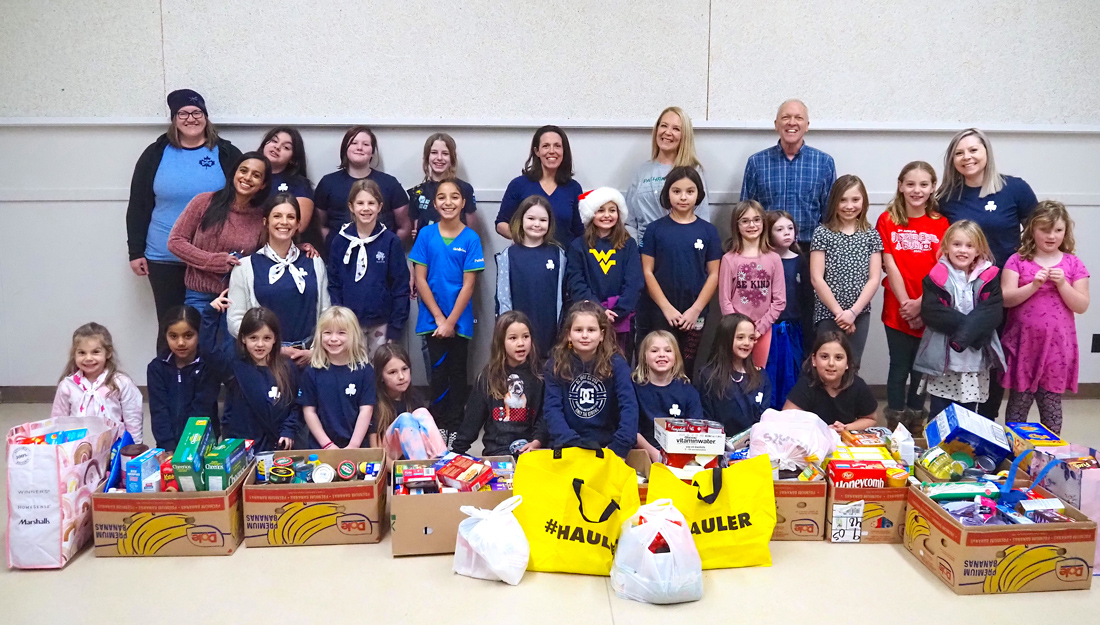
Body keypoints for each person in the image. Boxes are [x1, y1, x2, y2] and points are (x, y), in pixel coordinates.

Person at [126, 88, 241, 348]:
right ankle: (170, 385)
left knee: (209, 326)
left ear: (206, 116)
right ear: (174, 119)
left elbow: (245, 199)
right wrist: (136, 251)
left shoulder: (225, 153)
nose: (191, 118)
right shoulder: (155, 153)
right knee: (171, 325)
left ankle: (205, 386)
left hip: (211, 260)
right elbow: (138, 205)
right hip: (163, 257)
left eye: (197, 112)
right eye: (183, 113)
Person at [936, 128, 1038, 420]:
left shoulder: (1015, 189)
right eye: (959, 152)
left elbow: (1040, 233)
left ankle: (988, 420)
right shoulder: (946, 197)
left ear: (986, 152)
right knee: (966, 350)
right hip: (962, 291)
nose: (967, 157)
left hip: (1005, 290)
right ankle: (958, 420)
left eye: (973, 150)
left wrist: (1031, 273)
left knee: (996, 355)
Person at [1001, 202, 1090, 435]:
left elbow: (1081, 305)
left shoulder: (1073, 264)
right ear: (1032, 229)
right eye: (1045, 229)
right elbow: (1006, 298)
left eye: (1057, 230)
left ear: (1065, 232)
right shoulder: (1017, 260)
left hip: (1056, 348)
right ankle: (1013, 455)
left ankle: (1048, 455)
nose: (1051, 236)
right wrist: (1034, 285)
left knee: (1051, 406)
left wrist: (1062, 284)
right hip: (1023, 345)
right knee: (1018, 405)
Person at [410, 179, 486, 446]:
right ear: (434, 203)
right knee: (437, 374)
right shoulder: (426, 235)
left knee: (457, 372)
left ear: (463, 202)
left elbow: (469, 284)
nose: (448, 202)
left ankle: (455, 425)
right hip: (432, 320)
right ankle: (438, 425)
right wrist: (440, 320)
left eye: (454, 197)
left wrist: (451, 321)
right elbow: (420, 279)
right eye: (442, 197)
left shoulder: (471, 238)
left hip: (460, 322)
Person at [875, 161, 949, 431]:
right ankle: (895, 419)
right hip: (897, 307)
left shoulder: (941, 223)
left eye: (923, 184)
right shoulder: (887, 220)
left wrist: (920, 304)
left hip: (929, 306)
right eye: (910, 184)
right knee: (899, 366)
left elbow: (943, 268)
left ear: (932, 188)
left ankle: (916, 416)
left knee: (921, 369)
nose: (916, 190)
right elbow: (889, 263)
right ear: (900, 186)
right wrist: (906, 303)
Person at [913, 221, 1006, 418]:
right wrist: (973, 332)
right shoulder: (935, 277)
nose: (962, 250)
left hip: (975, 361)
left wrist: (969, 335)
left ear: (979, 249)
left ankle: (962, 449)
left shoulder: (989, 277)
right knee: (939, 413)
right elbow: (932, 312)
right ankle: (937, 448)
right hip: (944, 361)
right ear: (946, 246)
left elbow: (991, 312)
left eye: (969, 245)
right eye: (957, 244)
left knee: (967, 416)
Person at [226, 193, 330, 367]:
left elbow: (325, 313)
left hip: (309, 358)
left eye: (290, 217)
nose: (284, 222)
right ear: (266, 222)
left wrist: (314, 351)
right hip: (264, 359)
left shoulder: (314, 261)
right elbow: (235, 321)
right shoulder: (245, 267)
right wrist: (272, 348)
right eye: (277, 216)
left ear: (298, 224)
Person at [639, 167, 722, 379]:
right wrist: (666, 308)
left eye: (689, 191)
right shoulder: (655, 230)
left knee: (686, 366)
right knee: (658, 364)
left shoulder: (708, 231)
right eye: (676, 191)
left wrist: (695, 310)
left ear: (698, 194)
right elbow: (647, 271)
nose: (683, 197)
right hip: (661, 311)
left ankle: (684, 409)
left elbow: (714, 274)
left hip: (695, 313)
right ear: (667, 193)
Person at [167, 151, 271, 314]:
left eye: (256, 175)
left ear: (263, 184)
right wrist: (215, 261)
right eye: (243, 171)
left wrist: (300, 247)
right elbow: (175, 242)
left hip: (236, 298)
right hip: (199, 296)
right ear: (234, 172)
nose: (247, 177)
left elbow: (268, 253)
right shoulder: (203, 202)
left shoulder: (260, 217)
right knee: (197, 340)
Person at [542, 301, 638, 459]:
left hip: (606, 447)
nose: (585, 335)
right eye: (578, 330)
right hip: (567, 447)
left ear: (602, 334)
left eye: (591, 330)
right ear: (568, 335)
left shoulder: (617, 364)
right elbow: (552, 411)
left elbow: (629, 408)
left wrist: (618, 447)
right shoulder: (555, 365)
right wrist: (572, 445)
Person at [328, 179, 410, 359]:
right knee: (352, 374)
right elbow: (333, 284)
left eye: (371, 203)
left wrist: (395, 329)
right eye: (360, 203)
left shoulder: (390, 241)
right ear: (351, 206)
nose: (366, 208)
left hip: (381, 325)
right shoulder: (340, 241)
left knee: (378, 376)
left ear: (380, 206)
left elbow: (400, 287)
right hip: (348, 325)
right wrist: (339, 319)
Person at [203, 304, 300, 452]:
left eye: (267, 338)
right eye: (253, 338)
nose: (260, 344)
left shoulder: (288, 369)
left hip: (278, 450)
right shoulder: (234, 368)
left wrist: (289, 430)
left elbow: (296, 406)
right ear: (243, 338)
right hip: (242, 452)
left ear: (275, 339)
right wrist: (210, 313)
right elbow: (208, 350)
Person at [741, 99, 836, 248]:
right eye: (786, 117)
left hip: (810, 248)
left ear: (807, 126)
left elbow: (830, 214)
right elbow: (745, 211)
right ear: (776, 125)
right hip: (767, 247)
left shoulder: (824, 163)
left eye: (799, 118)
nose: (792, 123)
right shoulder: (756, 162)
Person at [809, 174, 883, 363]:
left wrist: (852, 313)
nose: (849, 206)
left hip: (859, 313)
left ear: (863, 201)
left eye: (855, 200)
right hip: (828, 312)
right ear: (834, 201)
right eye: (843, 200)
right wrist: (839, 313)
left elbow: (874, 279)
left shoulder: (871, 235)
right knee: (826, 365)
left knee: (851, 365)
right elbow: (817, 278)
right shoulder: (822, 233)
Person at [453, 311, 547, 456]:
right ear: (501, 341)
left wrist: (537, 441)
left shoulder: (540, 375)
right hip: (497, 451)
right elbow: (473, 418)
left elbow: (544, 416)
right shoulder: (488, 376)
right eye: (513, 338)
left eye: (525, 337)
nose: (521, 343)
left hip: (531, 450)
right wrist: (456, 451)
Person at [567, 187, 644, 361]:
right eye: (600, 210)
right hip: (589, 317)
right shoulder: (578, 246)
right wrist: (599, 310)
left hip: (621, 317)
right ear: (590, 214)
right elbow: (576, 283)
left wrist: (618, 311)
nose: (607, 215)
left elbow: (634, 282)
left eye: (612, 210)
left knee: (619, 363)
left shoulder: (628, 245)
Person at [625, 107, 712, 242]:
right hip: (644, 253)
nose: (668, 132)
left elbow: (702, 221)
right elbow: (629, 222)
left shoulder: (693, 170)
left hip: (679, 250)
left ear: (685, 135)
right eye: (664, 126)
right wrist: (635, 249)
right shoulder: (642, 171)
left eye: (676, 129)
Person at [314, 125, 411, 245]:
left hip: (380, 258)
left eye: (365, 144)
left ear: (372, 152)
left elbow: (405, 226)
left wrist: (388, 248)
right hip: (339, 258)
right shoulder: (327, 183)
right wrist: (334, 245)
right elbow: (319, 225)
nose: (359, 148)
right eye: (354, 143)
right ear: (345, 148)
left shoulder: (390, 183)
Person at [495, 196, 566, 356]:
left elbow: (563, 294)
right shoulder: (508, 255)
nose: (536, 224)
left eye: (543, 220)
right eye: (531, 218)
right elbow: (503, 297)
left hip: (550, 330)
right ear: (521, 220)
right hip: (520, 328)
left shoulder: (558, 254)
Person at [719, 200, 786, 369]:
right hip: (735, 333)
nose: (752, 225)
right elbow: (725, 300)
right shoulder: (729, 259)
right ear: (737, 225)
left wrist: (760, 329)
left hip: (762, 331)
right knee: (734, 373)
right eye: (745, 221)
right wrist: (738, 330)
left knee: (758, 374)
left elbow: (779, 301)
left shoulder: (774, 259)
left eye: (757, 219)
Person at [51, 322, 143, 443]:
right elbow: (58, 421)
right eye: (82, 353)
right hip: (77, 446)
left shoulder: (121, 383)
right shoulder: (68, 385)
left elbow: (133, 419)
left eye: (95, 352)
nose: (88, 358)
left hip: (114, 446)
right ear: (74, 354)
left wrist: (134, 447)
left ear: (108, 353)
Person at [300, 306, 377, 449]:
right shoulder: (312, 371)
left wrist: (353, 446)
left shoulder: (365, 371)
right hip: (322, 448)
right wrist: (327, 445)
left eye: (341, 333)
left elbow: (366, 409)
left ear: (353, 335)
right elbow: (309, 411)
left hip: (357, 448)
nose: (333, 339)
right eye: (327, 333)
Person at [147, 305, 221, 451]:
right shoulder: (156, 368)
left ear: (199, 334)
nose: (181, 342)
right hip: (167, 447)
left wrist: (187, 449)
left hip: (202, 444)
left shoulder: (208, 366)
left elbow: (202, 410)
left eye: (188, 335)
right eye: (173, 336)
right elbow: (159, 411)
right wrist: (168, 447)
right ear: (165, 336)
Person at [494, 125, 583, 245]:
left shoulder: (574, 188)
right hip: (528, 259)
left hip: (565, 260)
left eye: (557, 146)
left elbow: (580, 231)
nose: (552, 151)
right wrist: (523, 239)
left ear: (564, 151)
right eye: (546, 146)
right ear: (537, 151)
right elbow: (501, 224)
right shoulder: (519, 185)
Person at [784, 331, 877, 432]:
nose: (831, 363)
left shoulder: (858, 386)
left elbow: (870, 419)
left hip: (845, 441)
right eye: (824, 357)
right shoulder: (805, 385)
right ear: (814, 360)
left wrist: (845, 428)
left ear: (847, 363)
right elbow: (786, 421)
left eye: (838, 358)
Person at [696, 314, 772, 435]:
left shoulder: (761, 376)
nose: (747, 343)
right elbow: (705, 418)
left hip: (753, 447)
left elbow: (763, 419)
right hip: (718, 446)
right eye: (740, 337)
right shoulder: (708, 375)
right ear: (726, 338)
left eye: (751, 338)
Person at [633, 330, 703, 462]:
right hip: (643, 454)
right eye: (654, 351)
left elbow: (696, 429)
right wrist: (654, 453)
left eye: (668, 351)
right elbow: (630, 429)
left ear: (676, 356)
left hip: (681, 455)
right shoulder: (634, 388)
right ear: (644, 356)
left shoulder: (688, 390)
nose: (661, 355)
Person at [764, 210, 810, 408]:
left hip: (793, 328)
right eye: (780, 229)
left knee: (792, 370)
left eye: (790, 228)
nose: (786, 233)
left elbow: (807, 299)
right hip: (768, 327)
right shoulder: (764, 260)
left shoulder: (800, 260)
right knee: (770, 372)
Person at [406, 133, 478, 238]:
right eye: (434, 152)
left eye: (445, 153)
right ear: (427, 157)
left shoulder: (464, 189)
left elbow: (471, 231)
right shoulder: (417, 193)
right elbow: (417, 231)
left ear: (452, 158)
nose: (439, 158)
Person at [259, 127, 320, 248]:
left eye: (286, 147)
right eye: (274, 141)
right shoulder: (248, 176)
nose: (277, 147)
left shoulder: (299, 184)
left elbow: (299, 226)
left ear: (293, 158)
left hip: (283, 247)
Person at [369, 343, 426, 448]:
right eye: (392, 372)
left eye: (405, 369)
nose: (401, 377)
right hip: (387, 458)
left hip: (414, 458)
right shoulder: (374, 402)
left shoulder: (415, 398)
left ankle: (443, 459)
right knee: (406, 418)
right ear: (381, 376)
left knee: (423, 413)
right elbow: (375, 451)